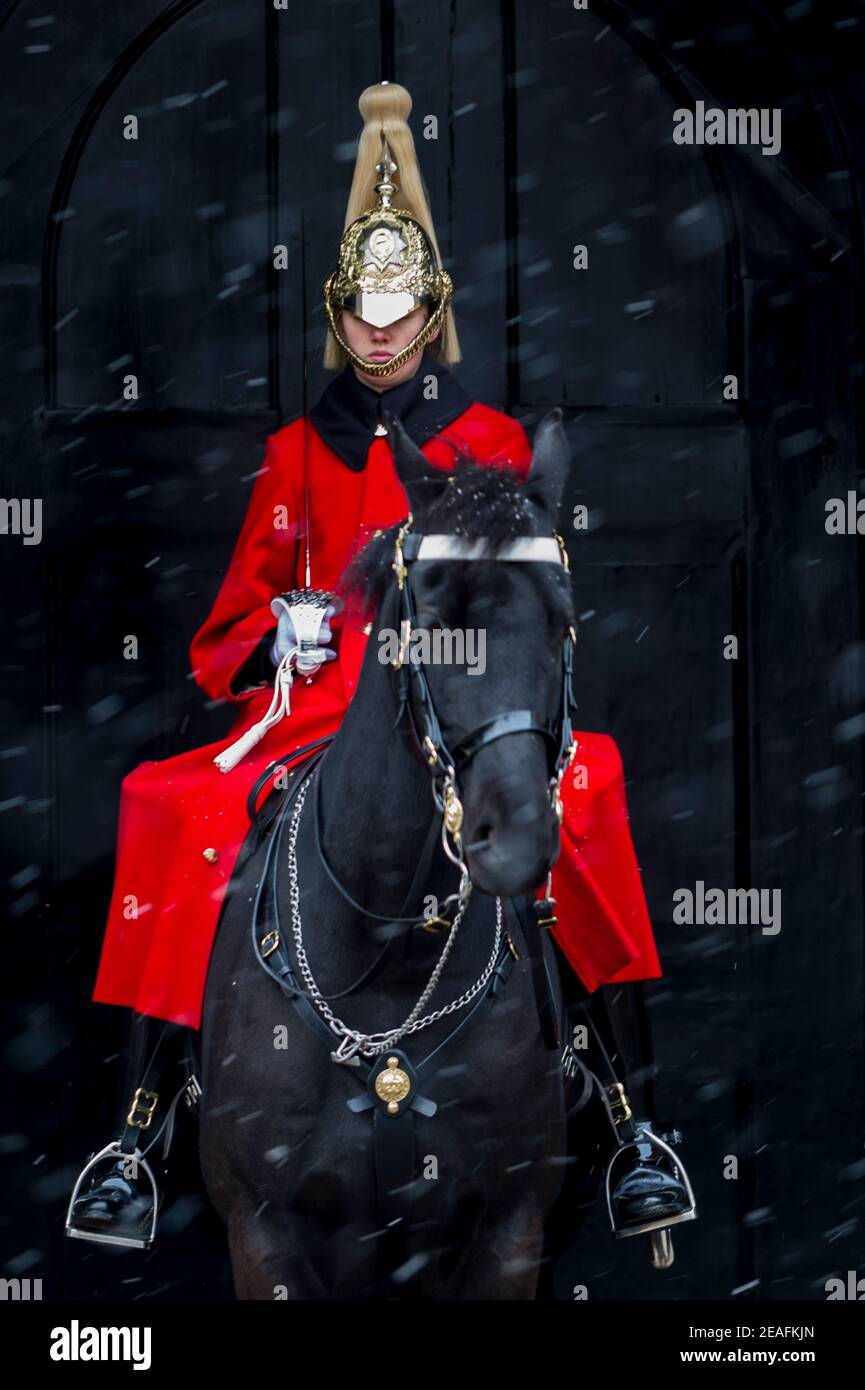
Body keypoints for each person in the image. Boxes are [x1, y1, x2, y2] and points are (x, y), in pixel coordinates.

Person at [66, 81, 692, 1255]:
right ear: (339, 314)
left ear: (432, 310)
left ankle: (625, 1118)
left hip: (465, 706)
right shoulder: (292, 453)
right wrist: (280, 633)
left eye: (401, 309)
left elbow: (524, 596)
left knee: (591, 795)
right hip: (317, 720)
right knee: (169, 802)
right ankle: (139, 1132)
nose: (380, 331)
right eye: (362, 308)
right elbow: (224, 632)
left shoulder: (490, 445)